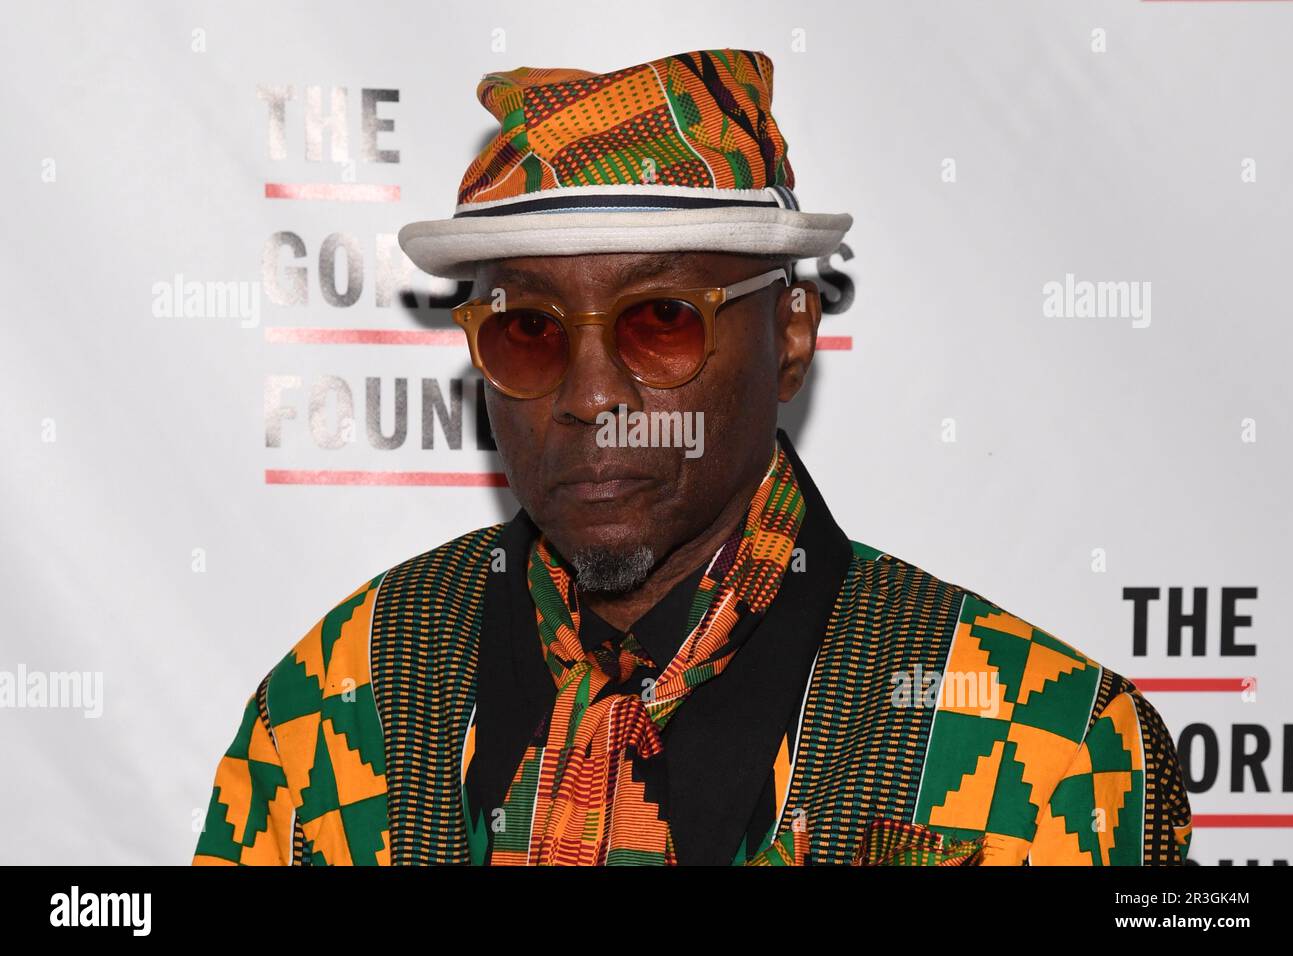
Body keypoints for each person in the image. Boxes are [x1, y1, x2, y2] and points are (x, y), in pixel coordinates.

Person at [193, 48, 1192, 866]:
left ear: (792, 334)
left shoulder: (1051, 747)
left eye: (660, 320)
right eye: (529, 329)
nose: (591, 398)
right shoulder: (338, 705)